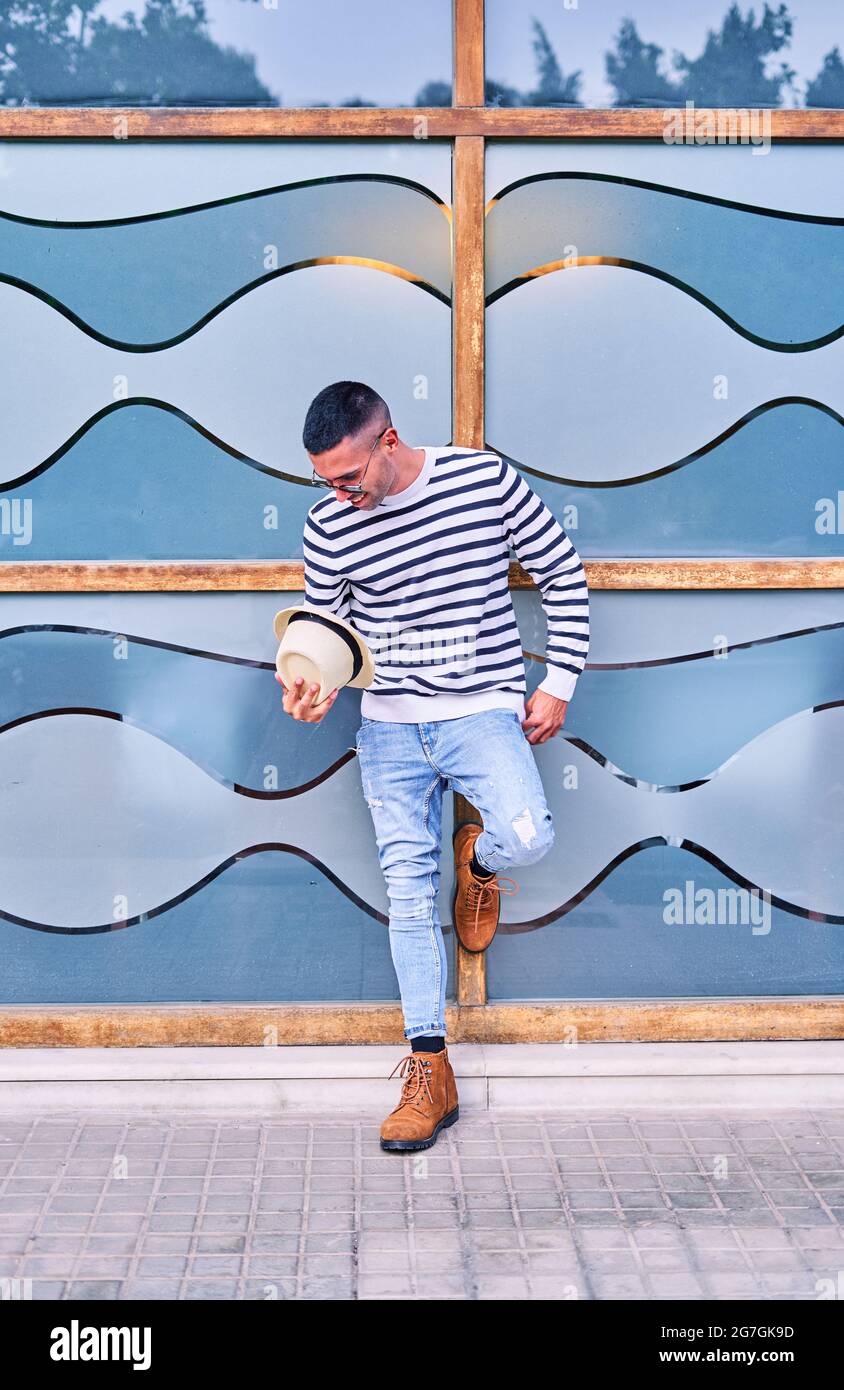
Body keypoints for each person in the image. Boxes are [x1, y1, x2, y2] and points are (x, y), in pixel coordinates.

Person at [277, 381, 590, 1151]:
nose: (339, 496)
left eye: (348, 479)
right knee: (408, 897)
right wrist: (308, 685)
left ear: (388, 442)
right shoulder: (328, 523)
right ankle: (429, 1069)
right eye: (325, 482)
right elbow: (328, 630)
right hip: (387, 728)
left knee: (529, 837)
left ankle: (477, 862)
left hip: (481, 709)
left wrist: (559, 681)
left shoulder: (482, 480)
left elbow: (561, 571)